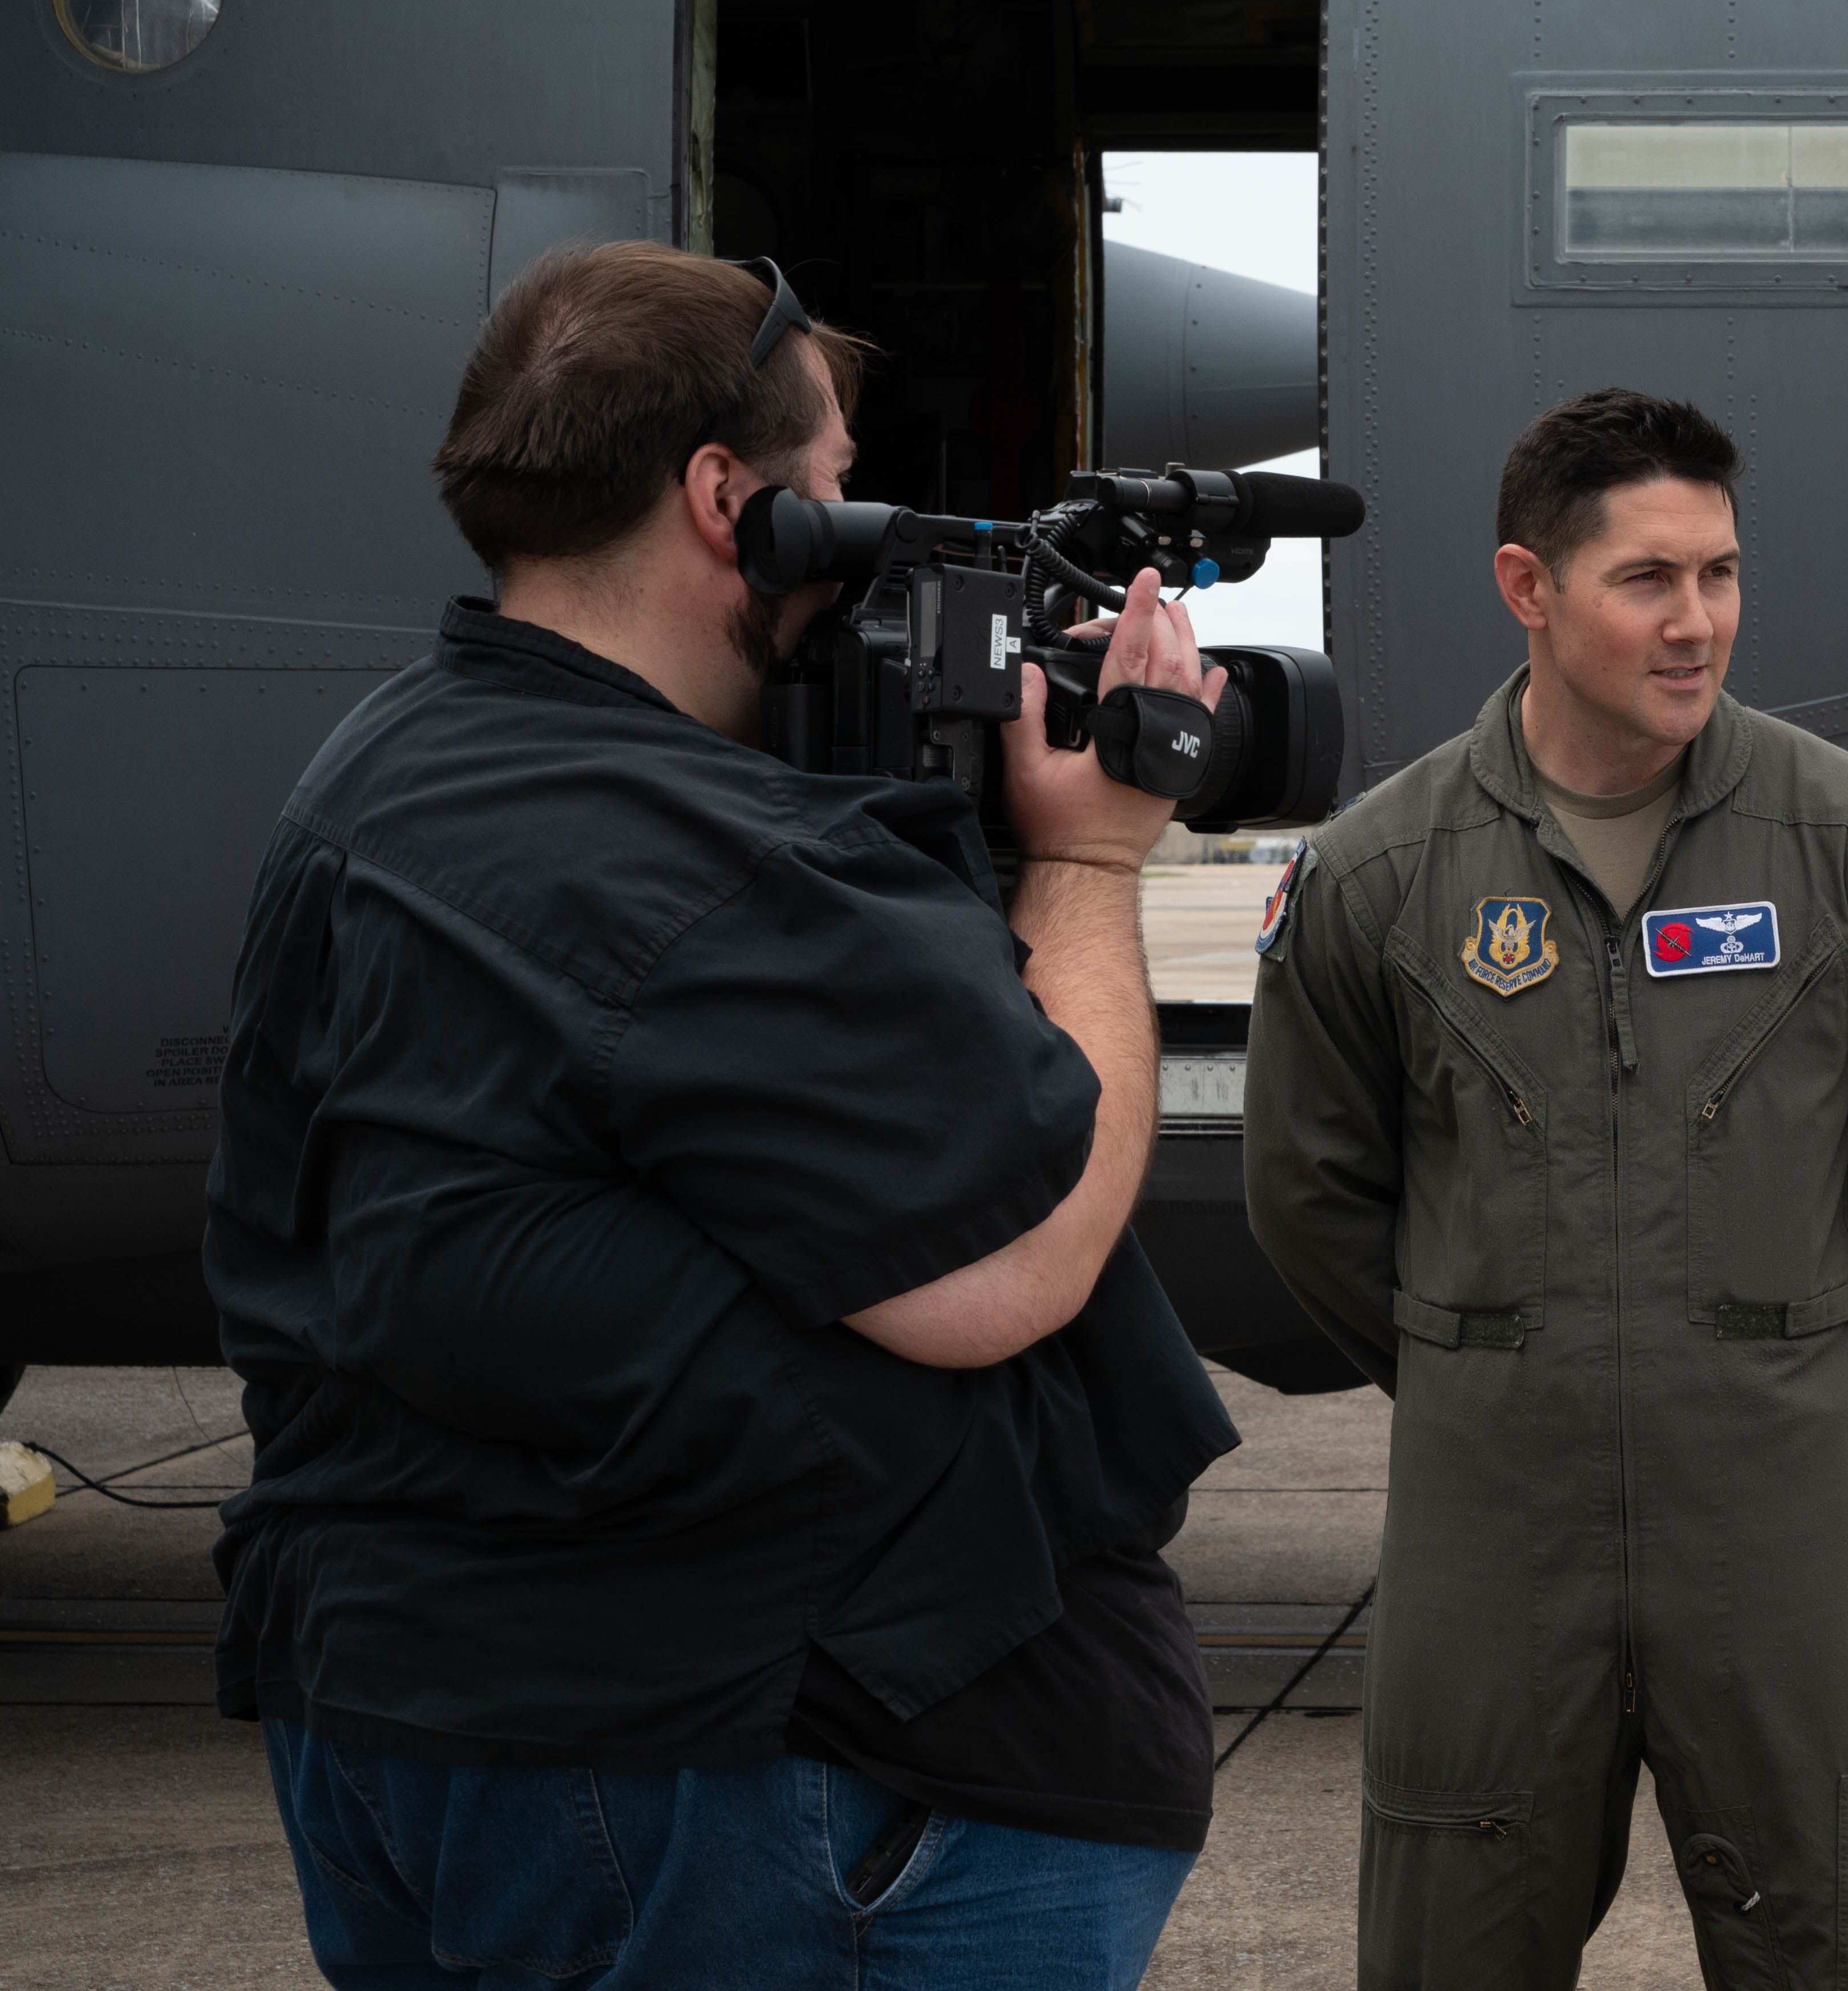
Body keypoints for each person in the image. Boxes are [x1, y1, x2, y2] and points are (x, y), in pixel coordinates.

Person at [205, 242, 1241, 1988]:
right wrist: (1083, 858)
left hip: (402, 1704)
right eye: (835, 495)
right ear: (723, 502)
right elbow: (1011, 1256)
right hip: (724, 1767)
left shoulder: (380, 772)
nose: (857, 551)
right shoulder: (704, 861)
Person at [1244, 388, 1848, 1989]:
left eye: (1722, 576)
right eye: (1648, 581)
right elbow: (1308, 1193)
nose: (1699, 625)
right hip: (1492, 1537)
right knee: (1448, 1947)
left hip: (1777, 1528)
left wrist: (1797, 1382)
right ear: (1527, 587)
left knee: (1838, 1938)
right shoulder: (1378, 877)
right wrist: (1488, 1376)